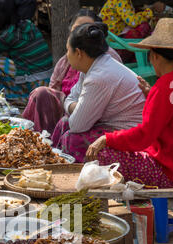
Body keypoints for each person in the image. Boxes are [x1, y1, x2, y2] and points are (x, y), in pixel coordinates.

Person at [86, 18, 173, 189]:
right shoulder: (166, 87)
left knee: (103, 154)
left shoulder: (164, 86)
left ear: (155, 56)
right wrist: (152, 96)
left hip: (169, 172)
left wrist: (108, 138)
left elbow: (145, 135)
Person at [51, 23, 145, 162]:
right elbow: (70, 98)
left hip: (131, 134)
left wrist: (74, 107)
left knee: (72, 139)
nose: (66, 55)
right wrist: (75, 107)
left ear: (78, 53)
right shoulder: (93, 66)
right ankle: (52, 163)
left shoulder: (99, 76)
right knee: (64, 122)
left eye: (68, 50)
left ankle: (78, 177)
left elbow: (78, 125)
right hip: (111, 125)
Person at [22, 9, 122, 134]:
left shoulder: (106, 59)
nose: (80, 34)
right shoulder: (68, 59)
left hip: (96, 116)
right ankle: (41, 139)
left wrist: (77, 108)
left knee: (70, 133)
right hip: (68, 110)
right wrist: (68, 105)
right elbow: (54, 90)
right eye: (76, 29)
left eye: (87, 29)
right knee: (41, 93)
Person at [0, 0, 52, 103]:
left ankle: (19, 95)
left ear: (1, 16)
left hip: (34, 84)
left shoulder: (8, 35)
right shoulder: (28, 24)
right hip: (48, 79)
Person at [100, 0, 165, 38]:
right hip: (113, 39)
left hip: (112, 36)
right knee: (144, 26)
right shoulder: (122, 1)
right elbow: (132, 22)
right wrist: (151, 9)